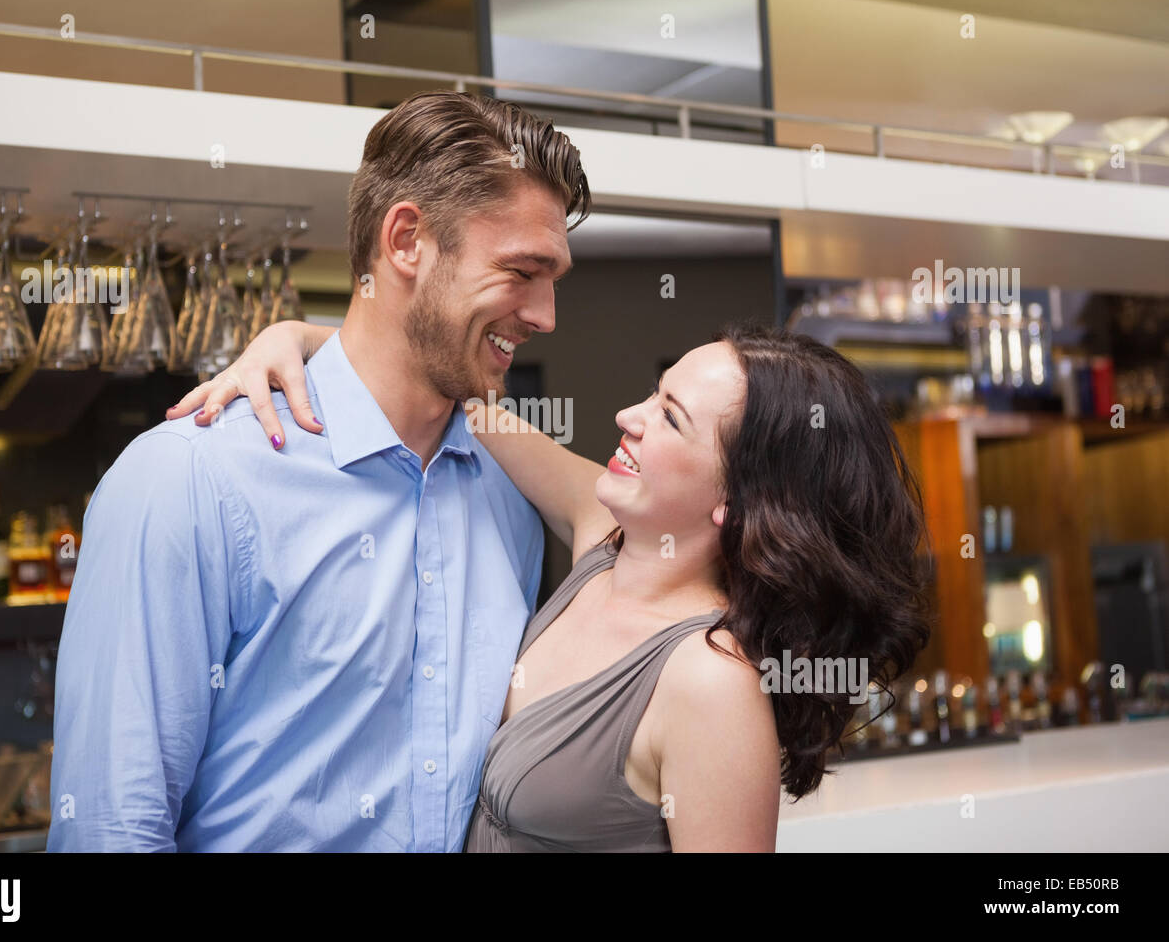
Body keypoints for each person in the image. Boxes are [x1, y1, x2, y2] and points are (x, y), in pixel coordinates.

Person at [47, 90, 590, 851]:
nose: (544, 315)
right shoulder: (188, 480)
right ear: (408, 241)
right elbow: (112, 830)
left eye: (553, 278)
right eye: (523, 271)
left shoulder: (509, 493)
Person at [168, 320, 934, 851]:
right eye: (653, 392)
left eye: (670, 417)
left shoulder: (710, 683)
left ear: (734, 499)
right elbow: (459, 389)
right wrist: (294, 341)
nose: (629, 417)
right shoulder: (606, 540)